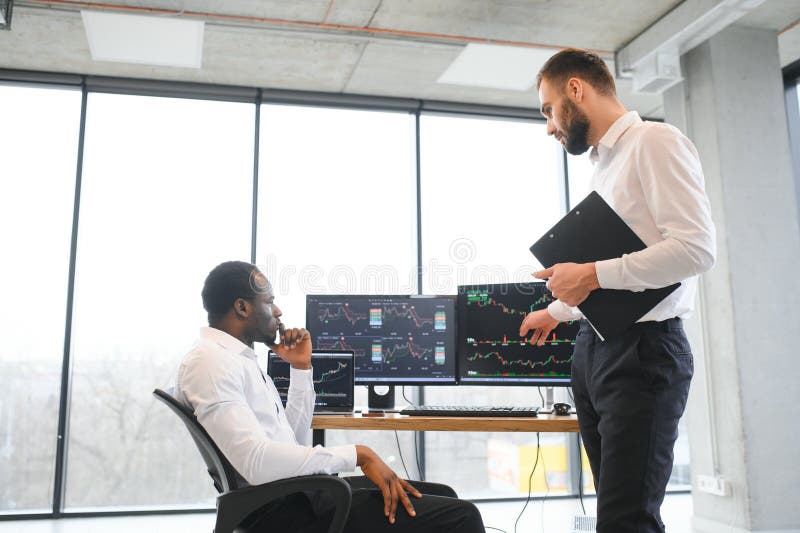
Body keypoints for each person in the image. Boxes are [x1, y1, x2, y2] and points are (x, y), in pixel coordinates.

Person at [519, 49, 716, 532]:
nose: (549, 127)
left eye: (548, 110)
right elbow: (618, 269)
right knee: (616, 514)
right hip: (596, 352)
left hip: (643, 354)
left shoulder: (655, 142)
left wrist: (588, 274)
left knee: (626, 520)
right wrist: (559, 311)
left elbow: (695, 250)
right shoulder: (604, 166)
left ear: (576, 90)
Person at [174, 260, 484, 533]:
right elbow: (255, 463)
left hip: (297, 494)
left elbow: (290, 441)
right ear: (242, 307)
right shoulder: (210, 363)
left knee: (444, 494)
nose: (278, 310)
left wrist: (300, 367)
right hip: (287, 513)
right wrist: (359, 454)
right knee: (462, 517)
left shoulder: (236, 358)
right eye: (269, 301)